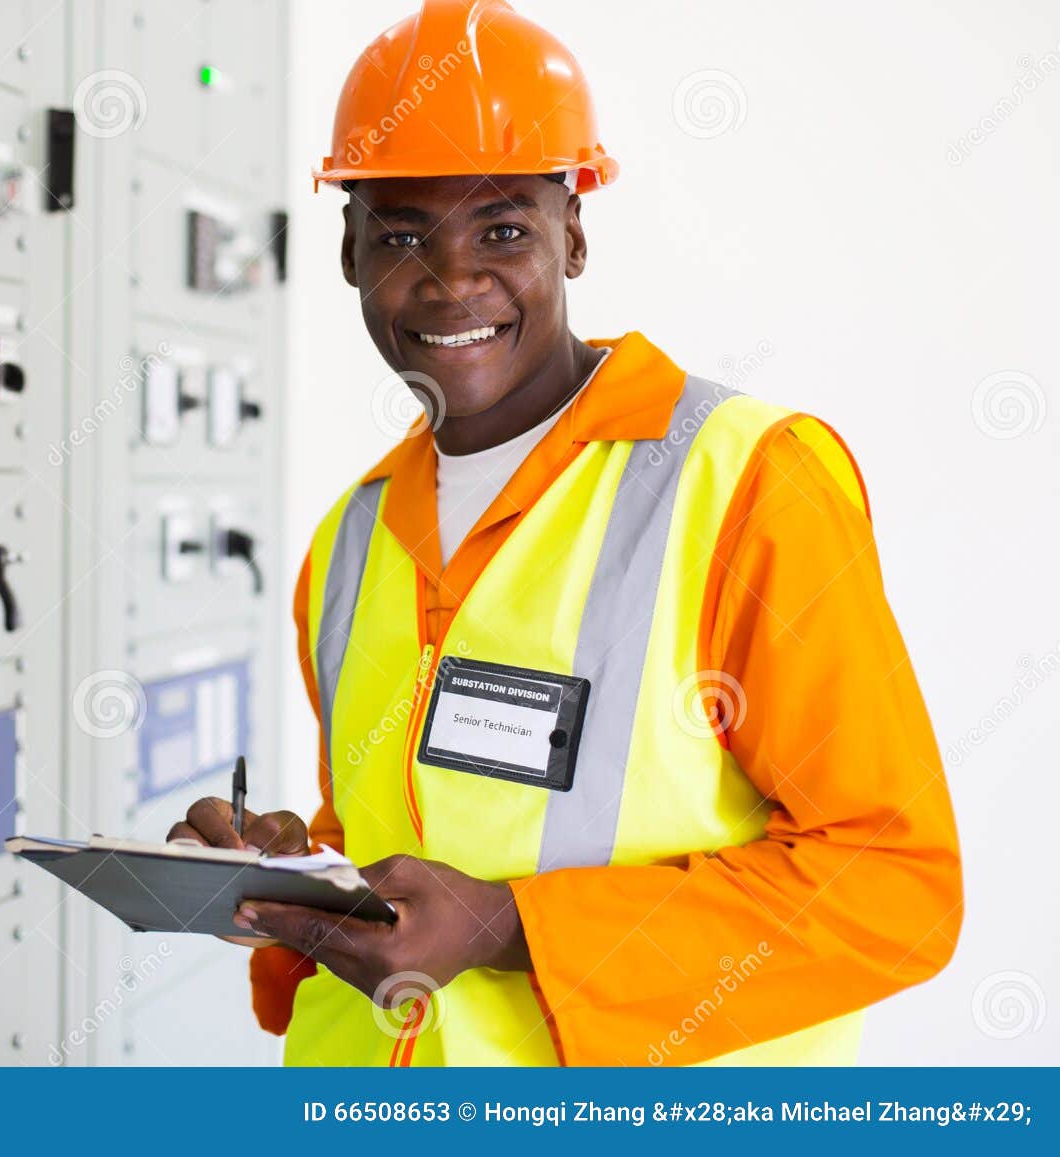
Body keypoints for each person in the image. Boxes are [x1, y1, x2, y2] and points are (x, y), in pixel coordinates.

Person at [168, 0, 961, 1066]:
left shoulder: (746, 481)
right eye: (402, 231)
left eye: (502, 228)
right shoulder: (348, 540)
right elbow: (409, 831)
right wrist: (284, 872)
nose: (452, 279)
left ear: (572, 235)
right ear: (348, 251)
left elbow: (890, 879)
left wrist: (510, 927)